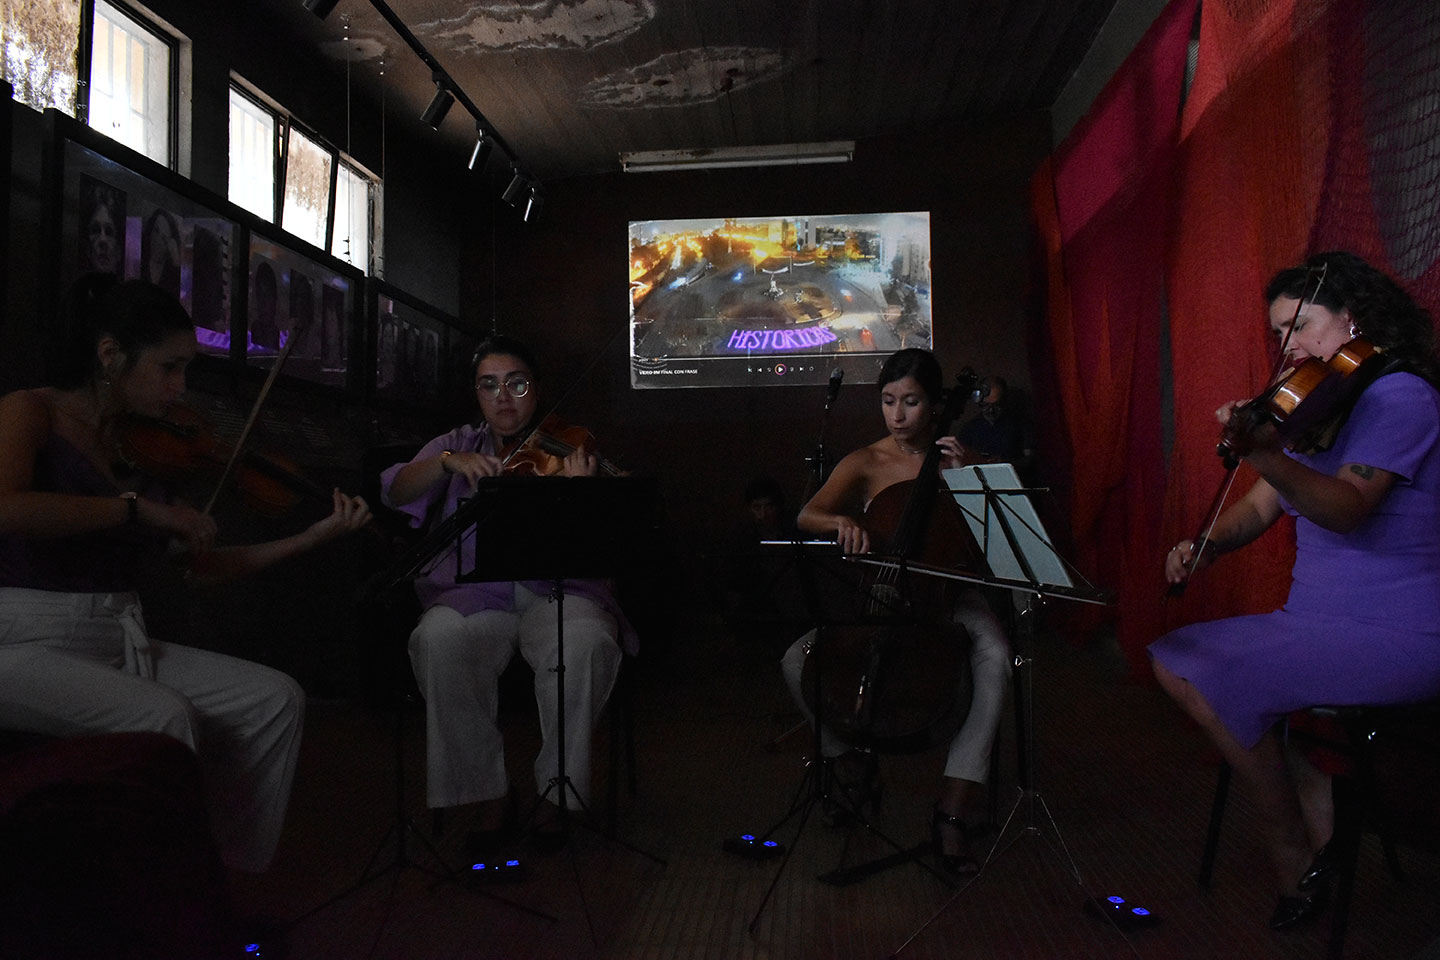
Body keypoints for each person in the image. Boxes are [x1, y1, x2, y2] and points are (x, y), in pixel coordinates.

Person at [0, 274, 373, 874]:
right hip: (19, 640)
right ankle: (165, 896)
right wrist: (135, 509)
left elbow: (200, 571)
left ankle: (223, 872)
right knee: (162, 714)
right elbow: (6, 507)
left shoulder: (131, 446)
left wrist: (311, 537)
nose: (180, 388)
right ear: (110, 355)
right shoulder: (30, 411)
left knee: (273, 699)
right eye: (169, 368)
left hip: (116, 634)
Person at [1150, 250, 1440, 930]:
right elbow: (1258, 507)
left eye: (1299, 326)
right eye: (1279, 332)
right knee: (1177, 656)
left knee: (1217, 677)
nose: (1287, 347)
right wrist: (1207, 544)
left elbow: (1346, 508)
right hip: (1311, 619)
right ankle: (1318, 798)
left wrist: (1266, 452)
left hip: (1402, 632)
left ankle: (1291, 848)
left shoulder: (1402, 396)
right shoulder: (1321, 404)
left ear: (1352, 318)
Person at [380, 334, 628, 856]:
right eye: (489, 386)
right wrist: (447, 462)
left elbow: (612, 533)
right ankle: (487, 793)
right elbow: (397, 491)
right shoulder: (458, 442)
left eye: (516, 384)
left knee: (585, 647)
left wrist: (586, 497)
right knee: (437, 642)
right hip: (474, 595)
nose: (503, 397)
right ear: (476, 393)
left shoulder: (566, 444)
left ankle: (557, 793)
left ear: (536, 388)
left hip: (559, 591)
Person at [778, 348, 1012, 875]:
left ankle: (953, 807)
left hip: (946, 593)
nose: (897, 415)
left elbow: (994, 542)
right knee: (796, 661)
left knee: (996, 657)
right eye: (888, 401)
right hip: (882, 592)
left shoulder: (963, 457)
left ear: (935, 406)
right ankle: (850, 763)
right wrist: (842, 523)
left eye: (911, 402)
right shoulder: (866, 460)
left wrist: (968, 480)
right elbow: (809, 514)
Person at [957, 376, 1028, 468]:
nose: (991, 410)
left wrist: (1006, 463)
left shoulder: (1019, 424)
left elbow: (1030, 460)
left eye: (996, 405)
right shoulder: (970, 428)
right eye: (985, 405)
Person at [141, 208, 182, 299]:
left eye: (164, 238)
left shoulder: (172, 271)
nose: (157, 240)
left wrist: (176, 262)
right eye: (156, 231)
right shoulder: (139, 261)